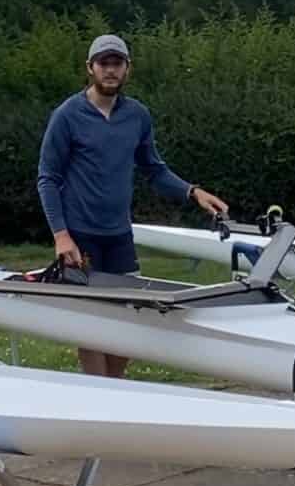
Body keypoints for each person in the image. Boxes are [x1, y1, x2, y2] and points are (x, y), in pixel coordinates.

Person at [37, 33, 229, 378]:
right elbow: (47, 178)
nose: (110, 70)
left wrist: (193, 192)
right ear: (90, 68)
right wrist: (61, 235)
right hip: (80, 236)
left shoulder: (138, 115)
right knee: (91, 325)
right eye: (103, 63)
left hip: (119, 235)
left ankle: (116, 390)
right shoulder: (67, 115)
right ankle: (99, 399)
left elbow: (154, 169)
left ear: (128, 69)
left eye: (117, 63)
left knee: (131, 318)